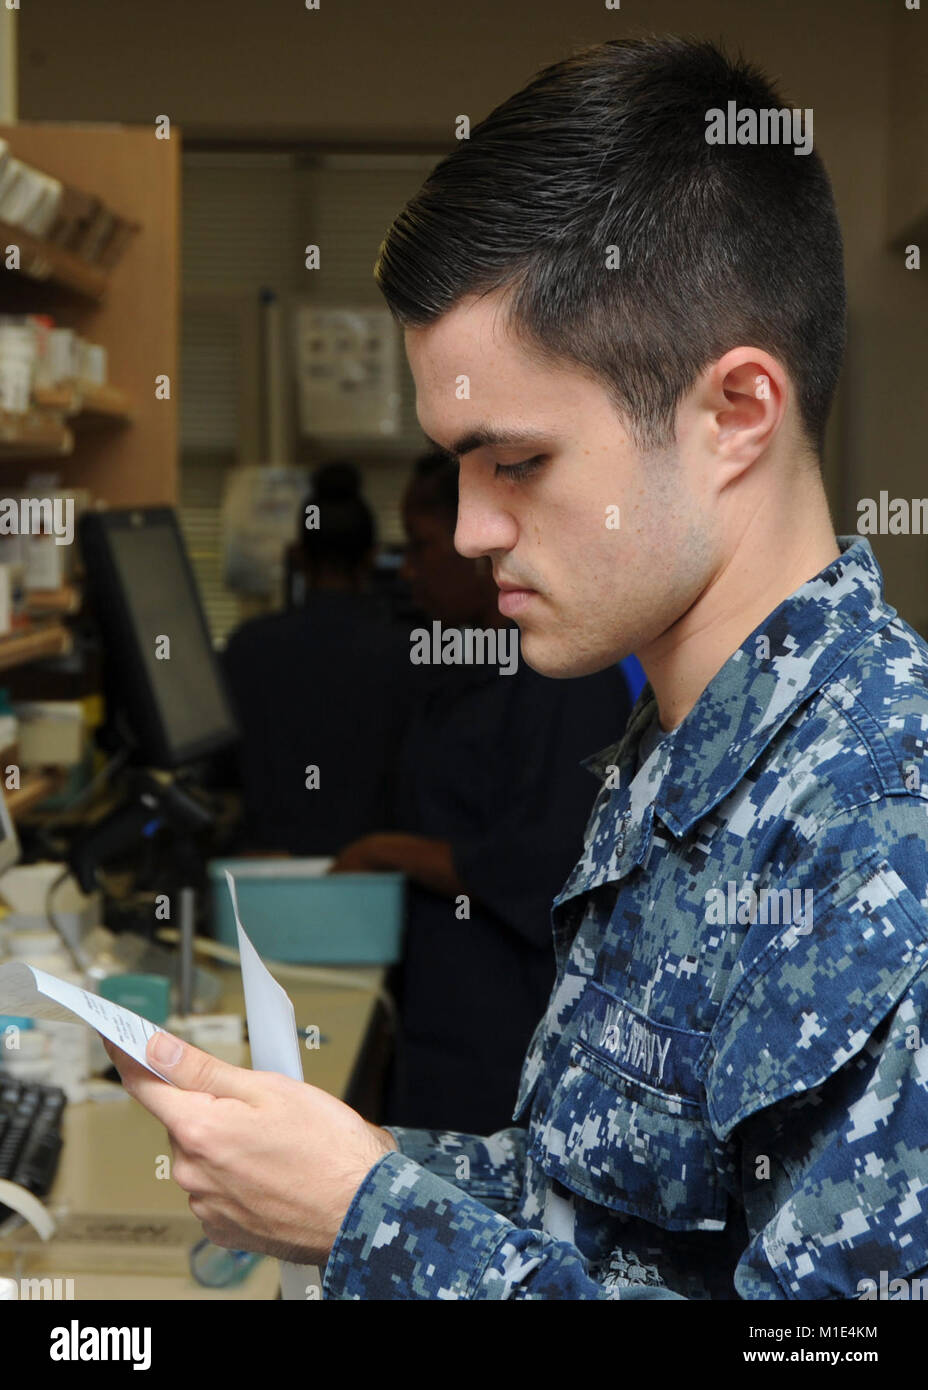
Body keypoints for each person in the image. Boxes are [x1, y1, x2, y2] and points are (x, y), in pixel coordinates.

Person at [104, 36, 928, 1300]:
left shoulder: (882, 825)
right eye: (455, 466)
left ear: (736, 413)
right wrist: (347, 1167)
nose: (472, 527)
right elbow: (606, 1212)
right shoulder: (679, 745)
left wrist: (369, 1221)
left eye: (518, 462)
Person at [331, 451, 633, 1134]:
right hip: (440, 1016)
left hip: (507, 1038)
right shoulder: (468, 663)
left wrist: (390, 851)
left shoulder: (568, 677)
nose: (408, 568)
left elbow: (542, 860)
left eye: (422, 545)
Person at [218, 462, 415, 856]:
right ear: (373, 558)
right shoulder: (409, 655)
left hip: (265, 878)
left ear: (296, 556)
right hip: (375, 880)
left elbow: (220, 775)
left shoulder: (246, 648)